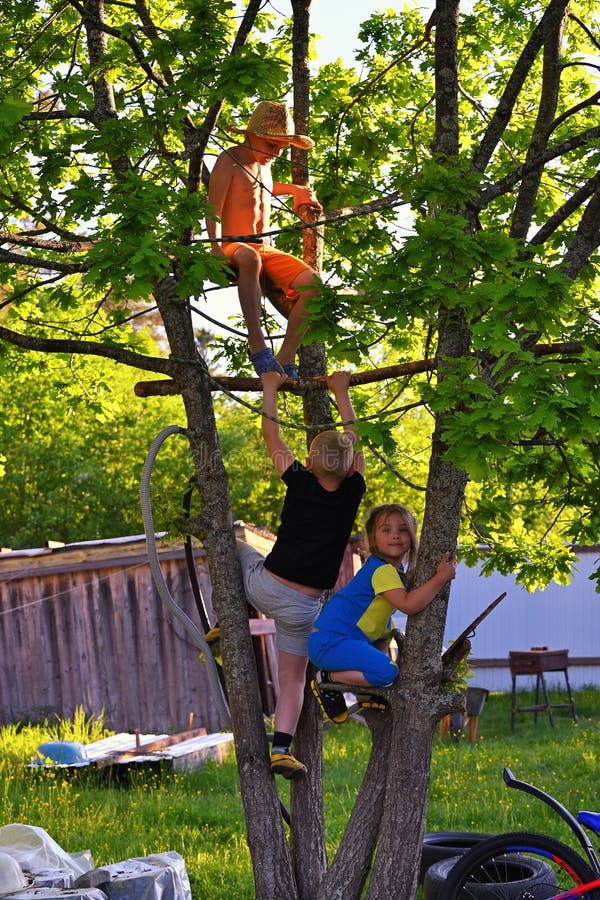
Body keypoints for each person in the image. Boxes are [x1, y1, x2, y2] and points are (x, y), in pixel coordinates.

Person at [236, 369, 366, 779]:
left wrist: (270, 389)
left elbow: (271, 437)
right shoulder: (352, 491)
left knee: (235, 546)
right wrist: (341, 392)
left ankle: (229, 618)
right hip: (305, 607)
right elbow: (356, 442)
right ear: (348, 470)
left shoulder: (298, 481)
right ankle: (281, 748)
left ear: (308, 463)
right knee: (292, 679)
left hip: (265, 587)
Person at [308, 503, 457, 724]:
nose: (395, 536)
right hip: (331, 642)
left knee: (387, 631)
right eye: (386, 530)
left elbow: (391, 612)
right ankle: (327, 677)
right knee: (387, 672)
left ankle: (367, 692)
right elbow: (408, 604)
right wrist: (440, 578)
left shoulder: (388, 570)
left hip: (335, 641)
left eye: (403, 529)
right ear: (373, 538)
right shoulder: (382, 571)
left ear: (412, 535)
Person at [206, 100, 322, 379]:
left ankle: (286, 355)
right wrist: (215, 246)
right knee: (250, 257)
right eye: (272, 145)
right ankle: (256, 343)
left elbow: (261, 190)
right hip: (235, 243)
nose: (277, 153)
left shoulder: (264, 165)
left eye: (282, 148)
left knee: (314, 284)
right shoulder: (229, 158)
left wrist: (297, 190)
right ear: (251, 135)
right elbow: (214, 206)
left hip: (263, 246)